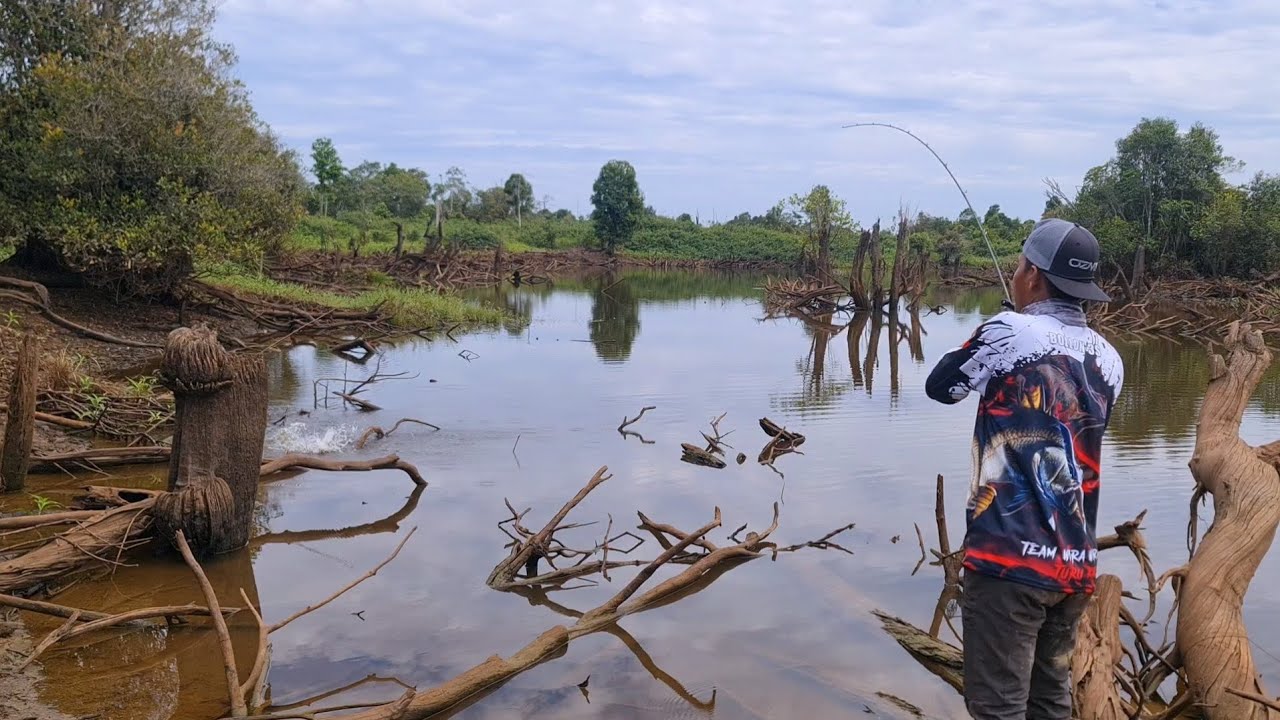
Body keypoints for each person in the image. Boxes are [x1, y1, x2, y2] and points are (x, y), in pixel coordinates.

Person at [924, 218, 1125, 720]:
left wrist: (997, 329)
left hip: (1009, 563)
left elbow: (941, 387)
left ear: (1032, 276)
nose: (1015, 274)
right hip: (1073, 569)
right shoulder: (1111, 358)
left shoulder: (1009, 331)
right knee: (1049, 700)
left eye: (1018, 267)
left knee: (998, 708)